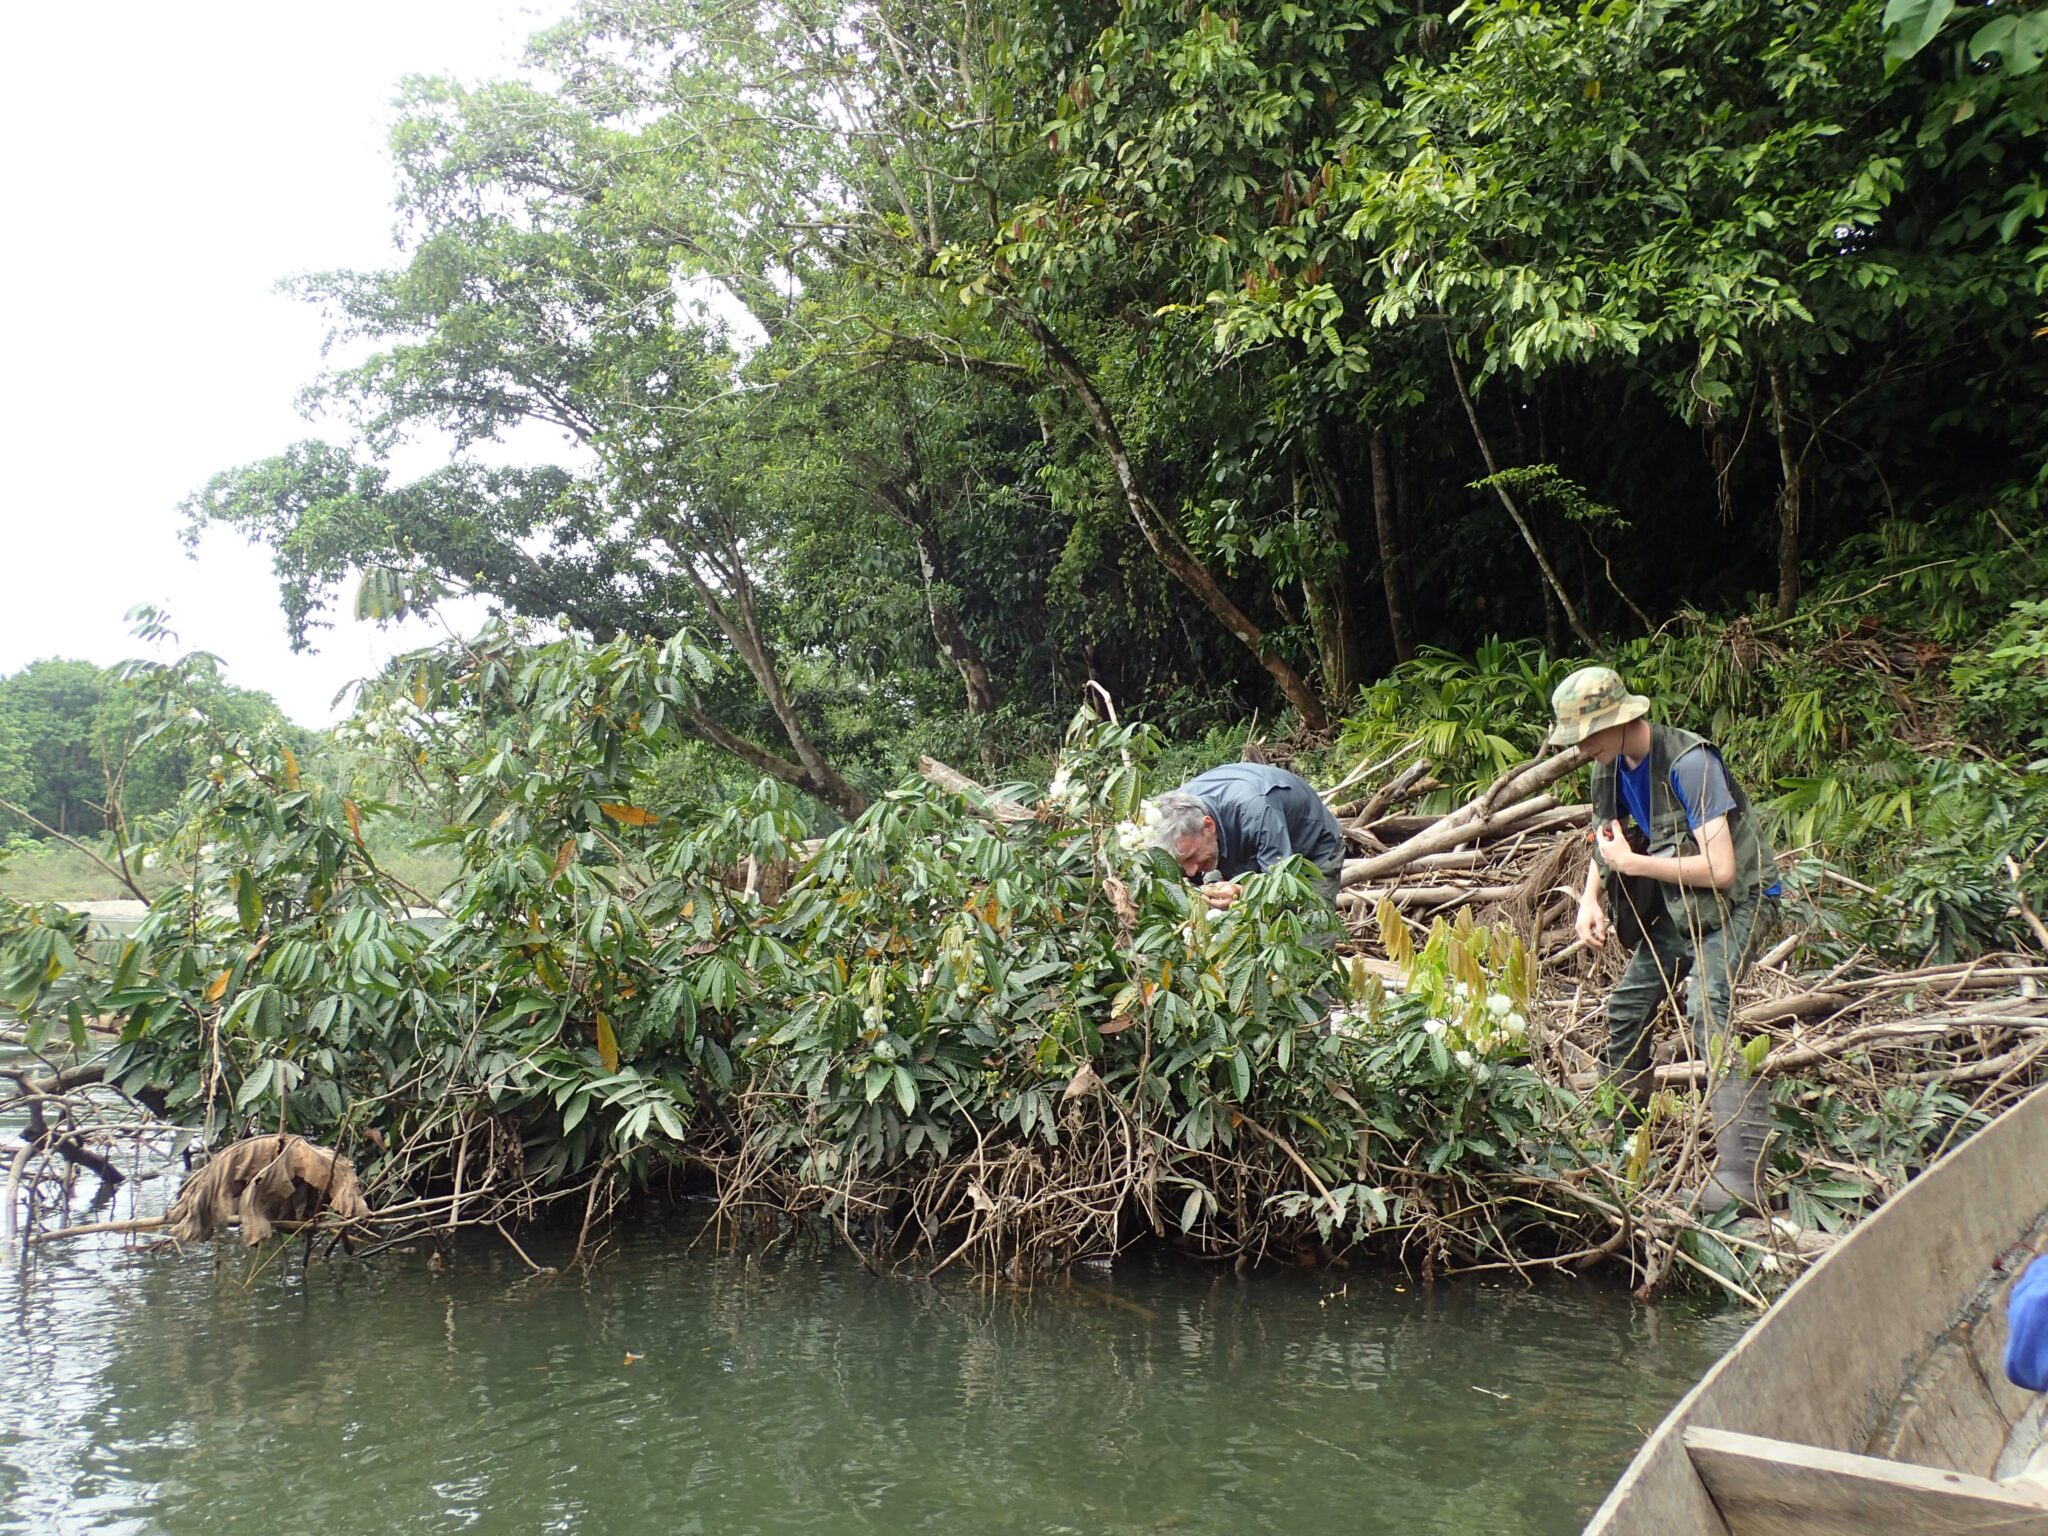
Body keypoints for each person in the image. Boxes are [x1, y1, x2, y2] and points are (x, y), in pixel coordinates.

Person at [1550, 665, 1782, 1212]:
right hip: (1683, 909)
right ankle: (1623, 1150)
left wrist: (1635, 863)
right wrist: (1591, 899)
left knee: (1707, 1004)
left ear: (1620, 720)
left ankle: (1742, 1178)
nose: (1582, 748)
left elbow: (1722, 869)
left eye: (1588, 735)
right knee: (1627, 1008)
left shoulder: (1691, 764)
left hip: (1743, 901)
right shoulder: (1608, 768)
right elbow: (1606, 842)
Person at [1148, 763, 1346, 918]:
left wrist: (1242, 894)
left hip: (1313, 850)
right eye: (1182, 863)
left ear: (1208, 826)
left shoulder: (1256, 810)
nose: (1191, 870)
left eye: (1191, 858)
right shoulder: (1177, 815)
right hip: (1242, 847)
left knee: (1308, 934)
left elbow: (1282, 889)